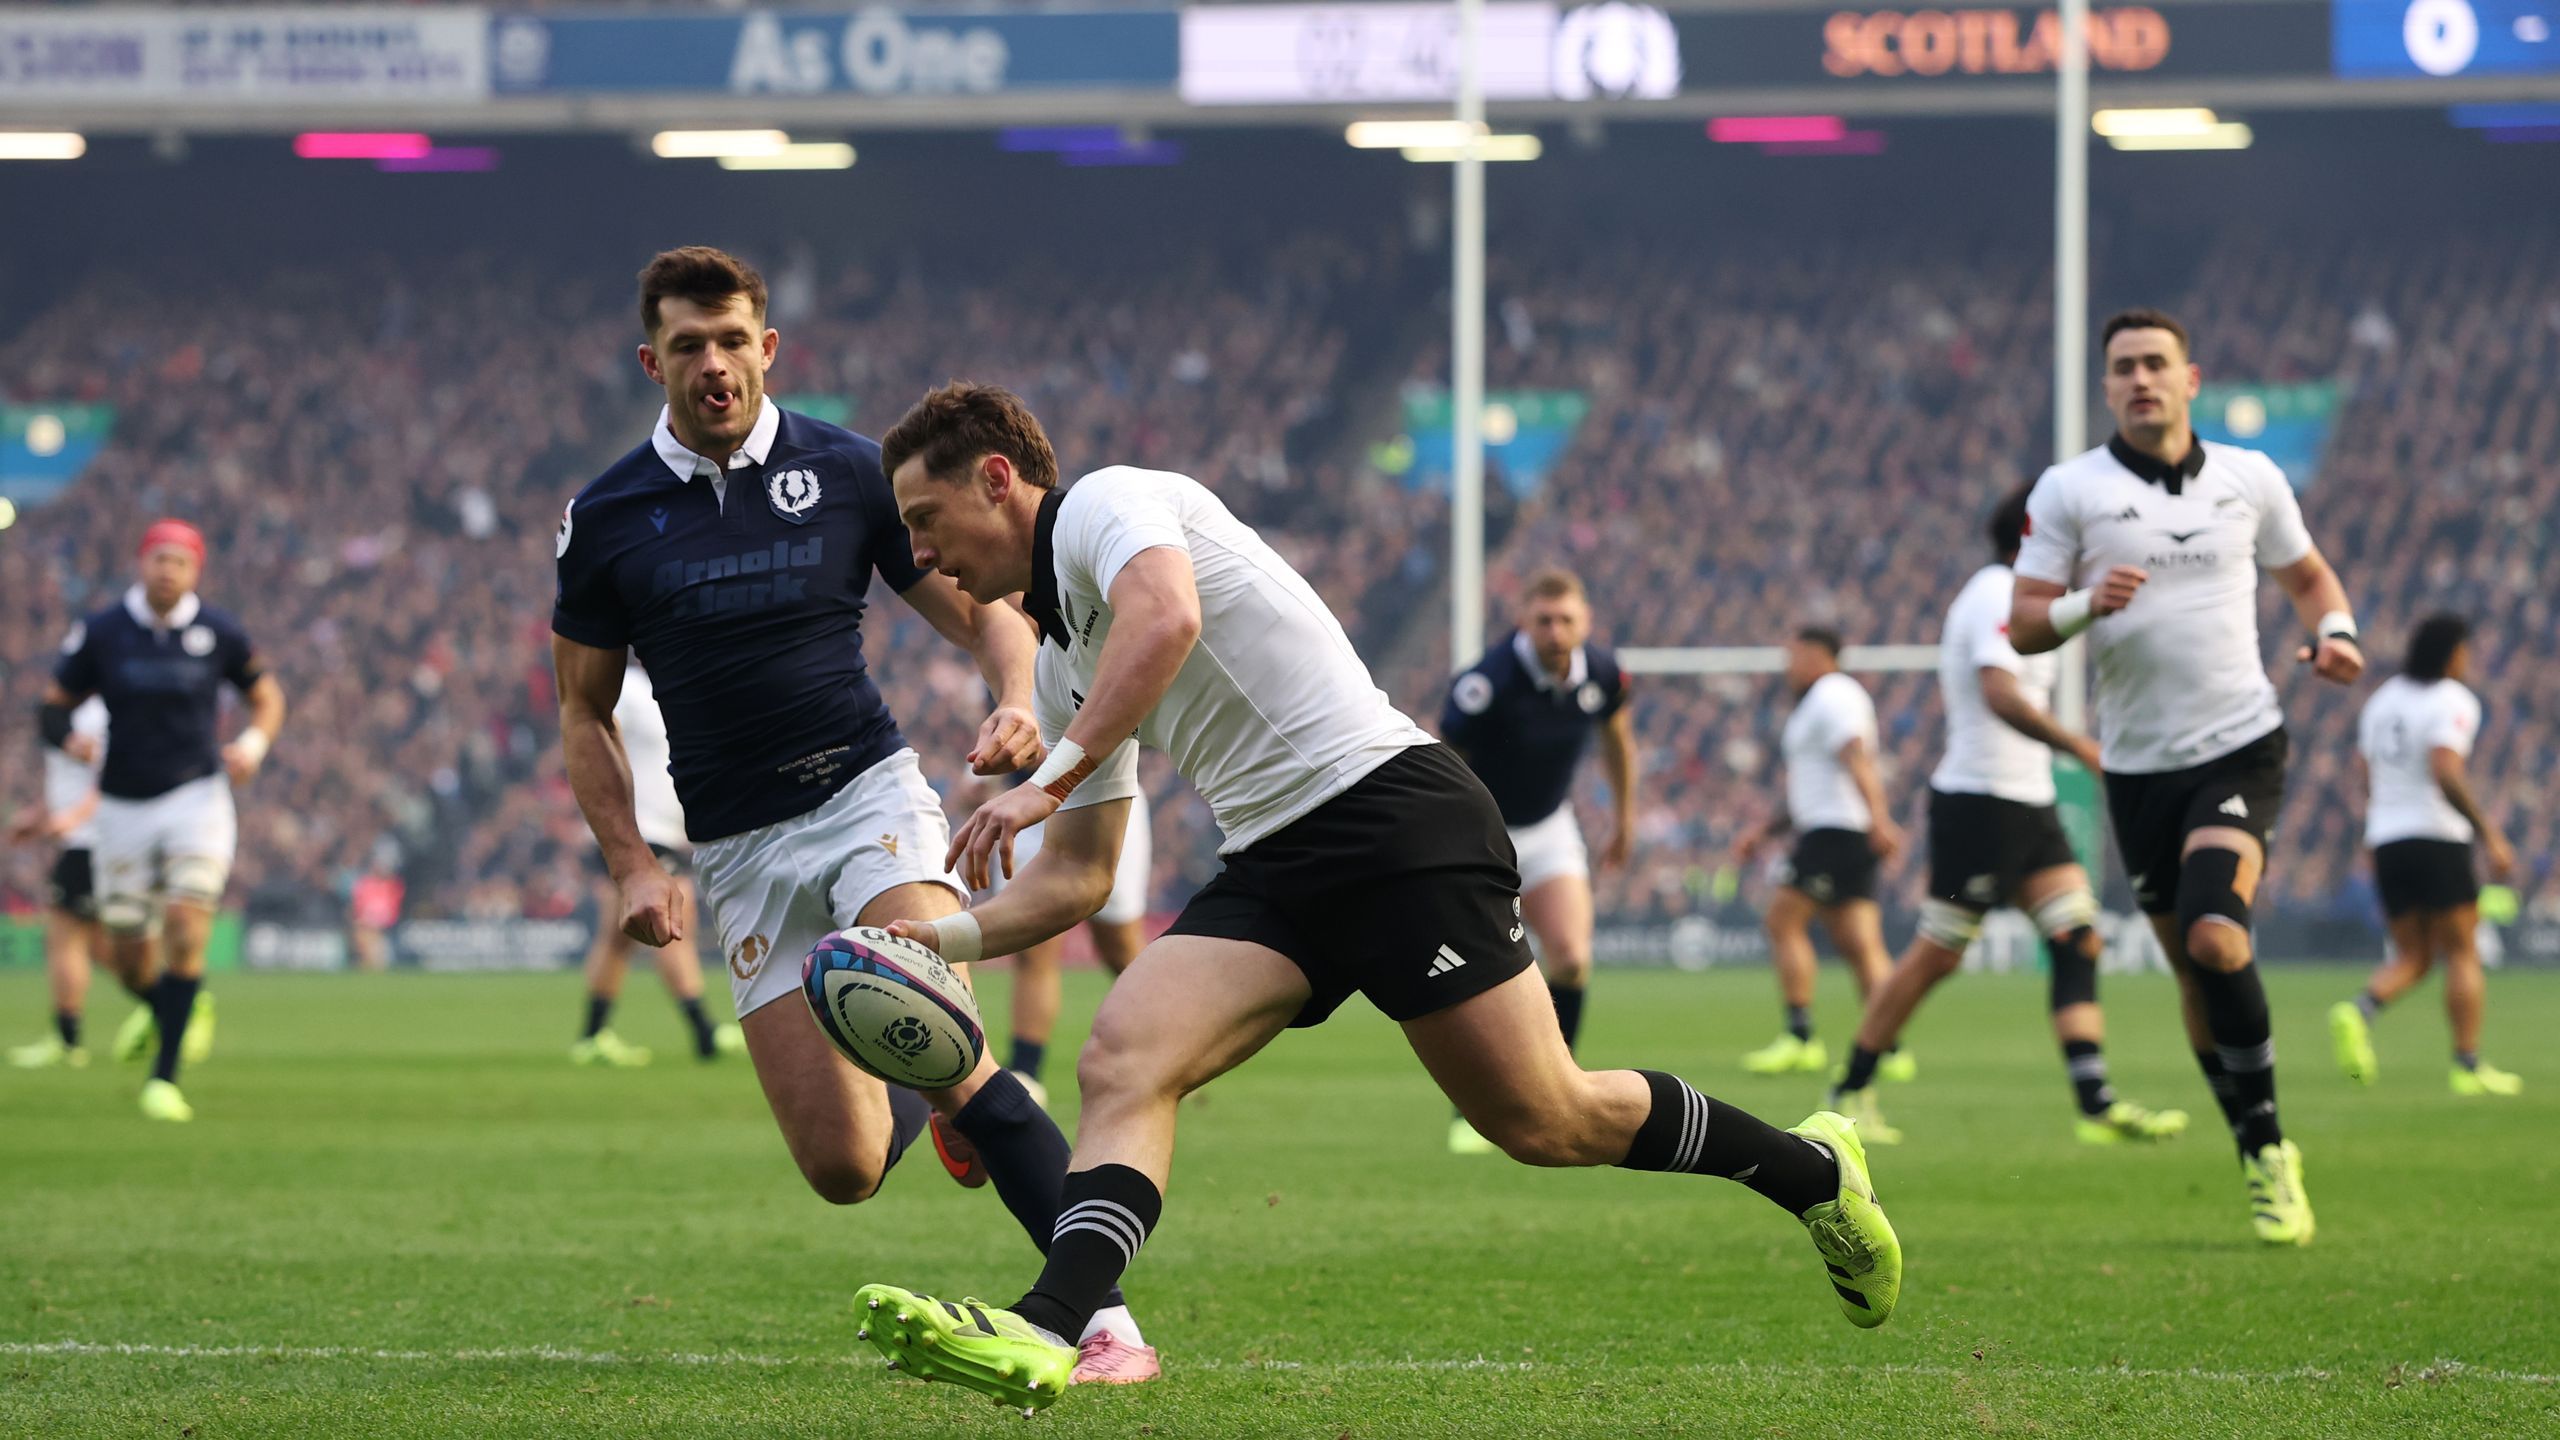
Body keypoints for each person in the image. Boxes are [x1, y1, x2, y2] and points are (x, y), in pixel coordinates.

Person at [848, 382, 1900, 1414]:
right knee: (1124, 1055)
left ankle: (1810, 1170)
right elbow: (1079, 876)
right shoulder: (1071, 651)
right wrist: (930, 938)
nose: (925, 555)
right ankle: (1054, 1321)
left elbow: (1166, 618)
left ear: (999, 481)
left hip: (1392, 819)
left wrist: (1049, 777)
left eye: (927, 521)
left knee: (1543, 1118)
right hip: (1277, 865)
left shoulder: (1110, 505)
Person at [549, 248, 1152, 1383]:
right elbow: (582, 710)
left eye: (733, 341)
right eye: (688, 346)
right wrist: (632, 863)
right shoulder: (608, 516)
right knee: (843, 1167)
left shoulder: (849, 471)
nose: (714, 365)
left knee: (950, 1043)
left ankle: (1103, 1321)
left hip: (867, 795)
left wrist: (1019, 700)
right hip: (735, 849)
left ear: (768, 349)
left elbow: (984, 609)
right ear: (652, 361)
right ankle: (936, 1106)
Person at [2010, 307, 2365, 1246]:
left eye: (2156, 364)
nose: (2140, 380)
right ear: (2108, 385)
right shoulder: (2071, 490)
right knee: (2189, 971)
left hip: (2241, 744)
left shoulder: (2250, 478)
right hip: (2138, 770)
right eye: (2123, 367)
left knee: (2216, 939)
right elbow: (2023, 624)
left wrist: (2336, 634)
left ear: (2191, 378)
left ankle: (2271, 1148)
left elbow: (2314, 579)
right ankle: (2252, 1141)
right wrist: (2088, 603)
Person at [1827, 488, 2186, 1145]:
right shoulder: (1995, 593)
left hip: (2026, 801)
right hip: (1981, 804)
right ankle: (1848, 1091)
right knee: (1938, 955)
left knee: (2078, 937)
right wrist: (2077, 744)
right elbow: (1999, 690)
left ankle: (2095, 1103)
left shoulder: (2026, 602)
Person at [41, 520, 287, 1121]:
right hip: (121, 805)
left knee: (185, 919)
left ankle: (163, 1079)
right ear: (141, 562)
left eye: (180, 562)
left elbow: (267, 696)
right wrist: (65, 738)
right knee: (126, 954)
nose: (168, 571)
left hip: (195, 797)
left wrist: (252, 747)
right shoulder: (103, 632)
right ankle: (175, 1005)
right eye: (160, 560)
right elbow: (51, 706)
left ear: (195, 570)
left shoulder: (218, 631)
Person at [1437, 566, 1635, 1154]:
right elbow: (1445, 759)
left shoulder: (1600, 671)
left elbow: (1617, 739)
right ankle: (1468, 1107)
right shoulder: (1485, 682)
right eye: (1544, 620)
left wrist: (1625, 820)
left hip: (1549, 827)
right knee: (1480, 973)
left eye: (1567, 620)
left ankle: (1560, 1085)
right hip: (1483, 837)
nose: (1556, 631)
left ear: (1586, 621)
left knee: (1571, 958)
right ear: (1523, 619)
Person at [2332, 614, 2519, 1096]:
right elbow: (2446, 769)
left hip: (2388, 838)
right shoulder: (2452, 700)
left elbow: (2366, 774)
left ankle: (2359, 1010)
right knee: (2461, 951)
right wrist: (2489, 833)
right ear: (2451, 652)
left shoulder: (2383, 700)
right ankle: (2467, 1064)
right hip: (2437, 835)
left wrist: (2379, 825)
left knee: (2414, 955)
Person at [1733, 629, 1904, 1077]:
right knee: (1860, 943)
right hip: (1840, 830)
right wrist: (1766, 831)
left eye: (1793, 656)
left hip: (1833, 833)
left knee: (1782, 920)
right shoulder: (1821, 702)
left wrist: (1880, 818)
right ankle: (1890, 1048)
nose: (1788, 666)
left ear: (1817, 655)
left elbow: (1856, 756)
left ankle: (1800, 1037)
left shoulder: (1833, 694)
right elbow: (1814, 786)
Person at [568, 656, 745, 1068]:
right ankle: (703, 1029)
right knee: (671, 921)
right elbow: (595, 733)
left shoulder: (674, 683)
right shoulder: (627, 684)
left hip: (659, 830)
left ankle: (592, 1035)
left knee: (617, 937)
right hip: (639, 830)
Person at [996, 783, 1153, 1108]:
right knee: (1033, 947)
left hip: (1108, 800)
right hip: (1031, 807)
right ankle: (1026, 1073)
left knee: (1119, 948)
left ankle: (1171, 1041)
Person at [8, 696, 127, 1069]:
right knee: (98, 946)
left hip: (89, 842)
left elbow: (114, 774)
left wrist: (73, 818)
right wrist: (42, 815)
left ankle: (68, 1040)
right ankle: (171, 1001)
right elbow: (73, 781)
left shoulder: (95, 714)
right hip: (88, 841)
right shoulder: (72, 713)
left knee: (64, 937)